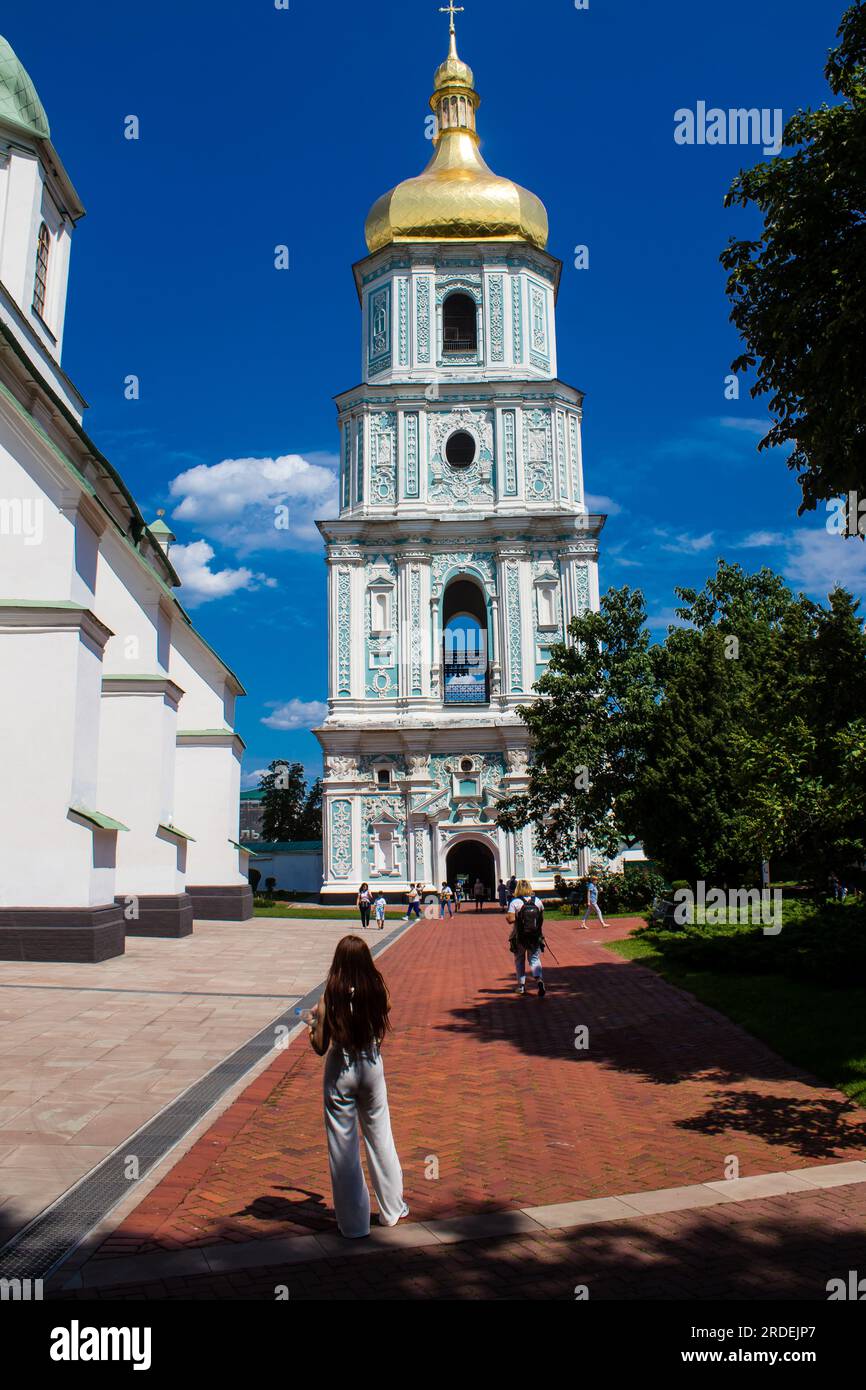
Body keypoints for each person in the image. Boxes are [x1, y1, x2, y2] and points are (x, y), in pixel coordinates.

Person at [307, 936, 408, 1238]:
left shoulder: (331, 995)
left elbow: (320, 1046)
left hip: (342, 1068)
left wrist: (313, 1024)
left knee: (344, 1147)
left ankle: (353, 1224)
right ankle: (392, 1208)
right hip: (371, 1065)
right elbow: (385, 1008)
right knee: (381, 1137)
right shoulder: (375, 990)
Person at [507, 878, 546, 997]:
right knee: (534, 958)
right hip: (534, 935)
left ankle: (521, 986)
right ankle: (539, 980)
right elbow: (541, 918)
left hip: (519, 936)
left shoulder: (515, 902)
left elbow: (510, 919)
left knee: (519, 959)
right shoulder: (538, 901)